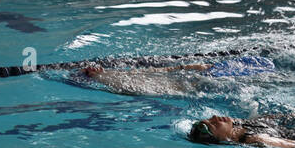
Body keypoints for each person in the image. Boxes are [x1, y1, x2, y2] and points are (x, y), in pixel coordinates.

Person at [72, 55, 277, 97]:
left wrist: (186, 67)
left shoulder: (117, 77)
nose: (93, 67)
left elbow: (151, 72)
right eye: (89, 69)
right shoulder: (120, 85)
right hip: (195, 87)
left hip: (192, 80)